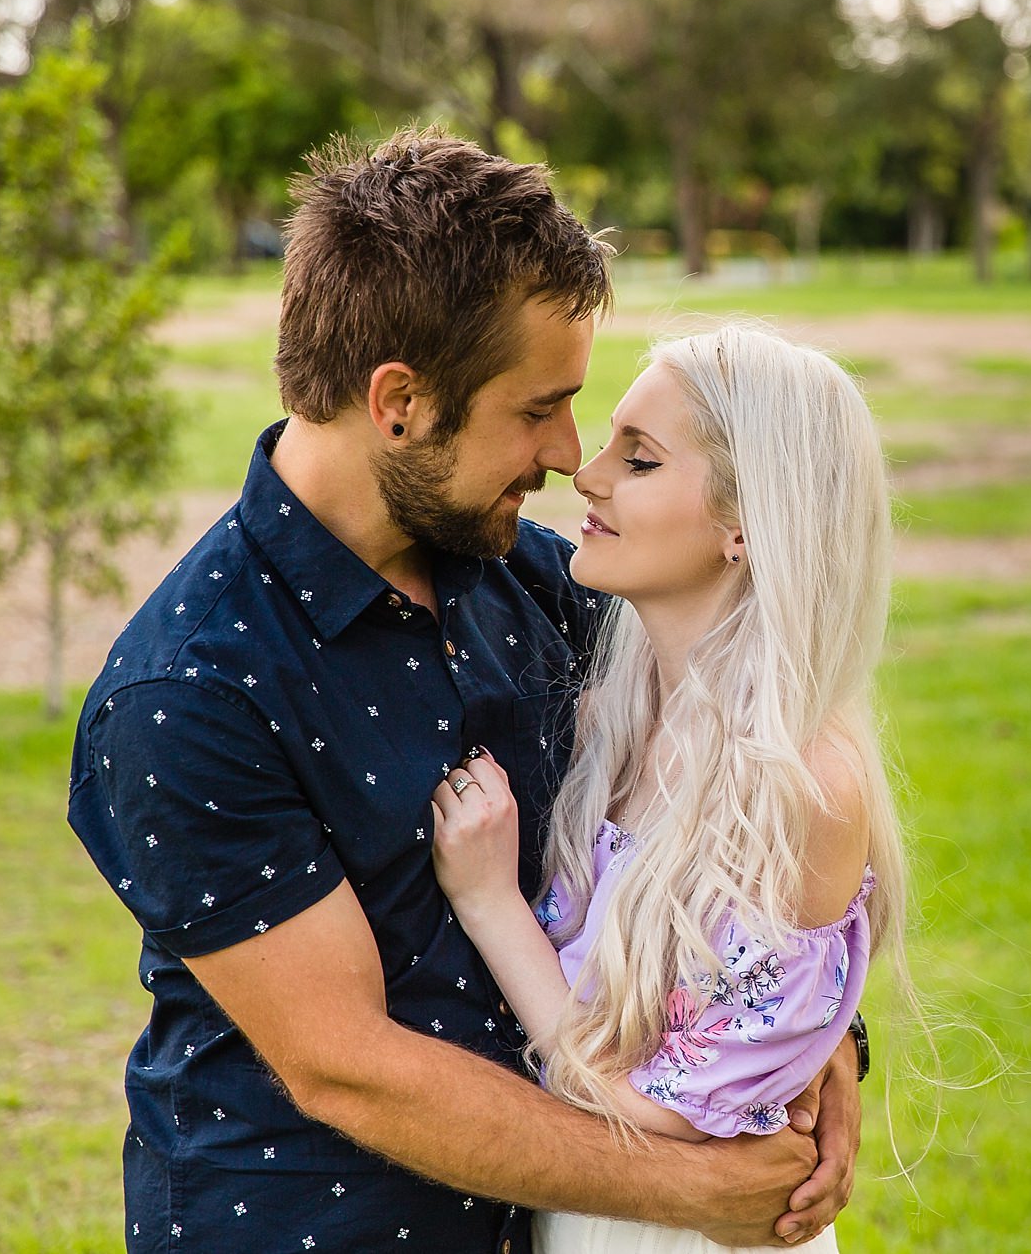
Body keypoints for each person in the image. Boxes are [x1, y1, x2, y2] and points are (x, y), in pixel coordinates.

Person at [66, 129, 861, 1254]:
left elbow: (712, 842)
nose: (566, 452)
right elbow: (353, 1070)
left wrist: (814, 1041)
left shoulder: (534, 585)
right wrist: (692, 1187)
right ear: (400, 403)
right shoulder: (190, 693)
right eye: (536, 409)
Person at [428, 323, 911, 1254]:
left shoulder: (802, 785)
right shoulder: (610, 704)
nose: (588, 474)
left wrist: (492, 906)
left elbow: (680, 1112)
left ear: (747, 522)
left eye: (639, 460)